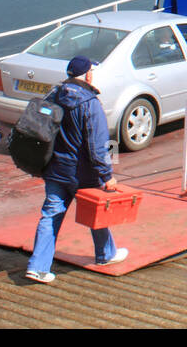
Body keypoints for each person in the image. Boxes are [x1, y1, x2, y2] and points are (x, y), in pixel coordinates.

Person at [25, 55, 128, 283]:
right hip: (82, 172)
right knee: (95, 212)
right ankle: (105, 254)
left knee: (50, 215)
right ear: (88, 74)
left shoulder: (53, 95)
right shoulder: (90, 103)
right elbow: (97, 146)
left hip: (55, 168)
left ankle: (37, 266)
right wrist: (107, 175)